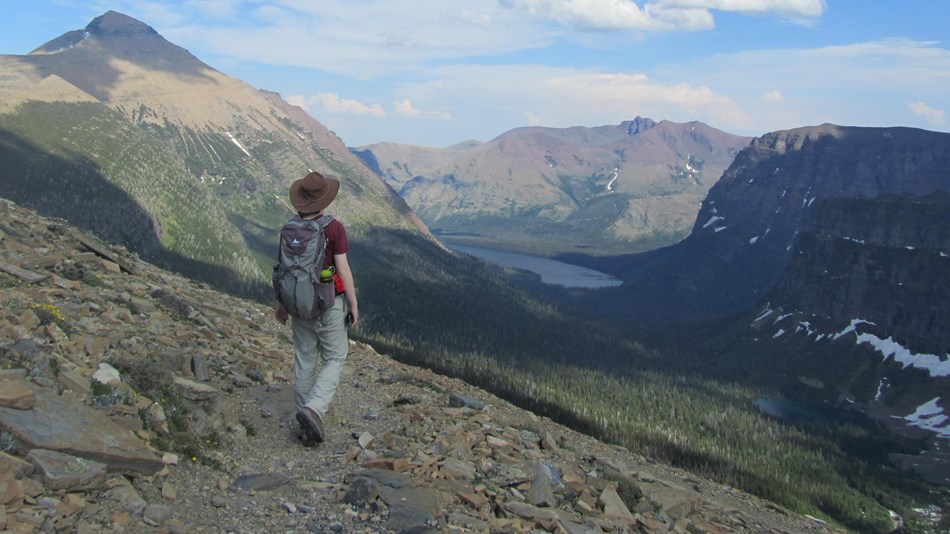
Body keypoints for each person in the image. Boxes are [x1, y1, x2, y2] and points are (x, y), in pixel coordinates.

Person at [275, 171, 359, 445]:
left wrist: (281, 303)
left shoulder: (289, 228)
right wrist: (353, 303)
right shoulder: (333, 228)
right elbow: (342, 269)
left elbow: (284, 270)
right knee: (335, 357)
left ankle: (304, 416)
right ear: (324, 200)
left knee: (304, 357)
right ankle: (313, 410)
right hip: (327, 302)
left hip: (298, 303)